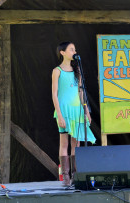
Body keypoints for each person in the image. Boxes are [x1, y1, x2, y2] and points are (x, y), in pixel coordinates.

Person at [52, 42, 96, 186]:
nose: (74, 51)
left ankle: (76, 175)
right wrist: (59, 114)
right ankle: (66, 177)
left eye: (75, 49)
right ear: (62, 52)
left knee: (75, 143)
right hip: (64, 110)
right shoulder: (57, 71)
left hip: (77, 110)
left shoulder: (77, 70)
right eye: (71, 49)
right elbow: (54, 94)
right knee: (64, 143)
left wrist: (86, 111)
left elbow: (81, 91)